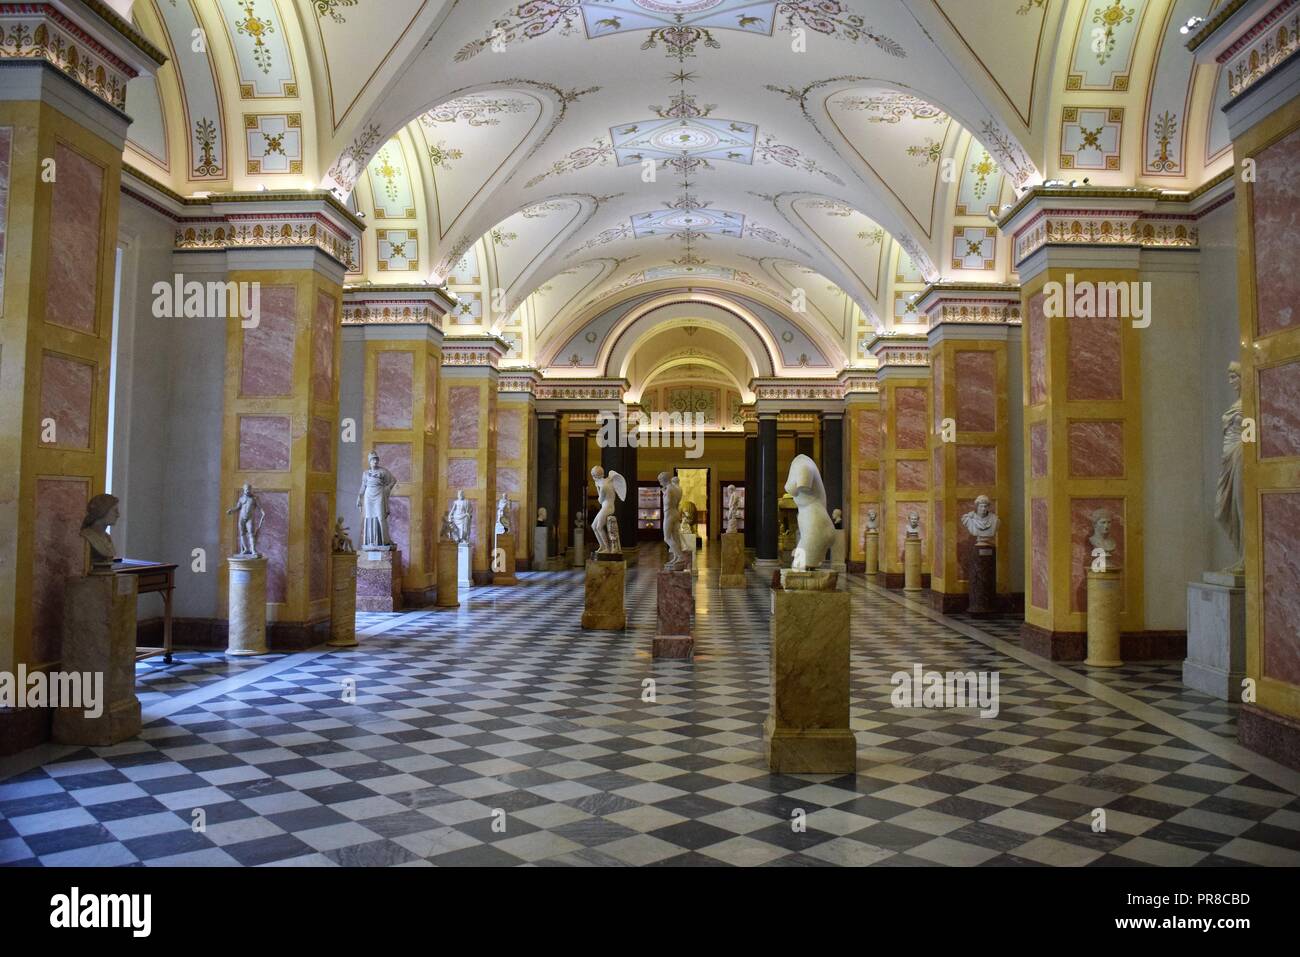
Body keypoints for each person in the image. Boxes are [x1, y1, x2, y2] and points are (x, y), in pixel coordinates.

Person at [226, 484, 265, 556]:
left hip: (250, 518)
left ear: (251, 489)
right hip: (241, 518)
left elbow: (260, 507)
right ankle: (246, 549)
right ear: (244, 490)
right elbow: (237, 507)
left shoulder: (255, 498)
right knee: (242, 533)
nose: (247, 491)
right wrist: (231, 510)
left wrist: (263, 512)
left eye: (249, 489)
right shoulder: (241, 499)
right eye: (246, 489)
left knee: (251, 533)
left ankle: (253, 550)